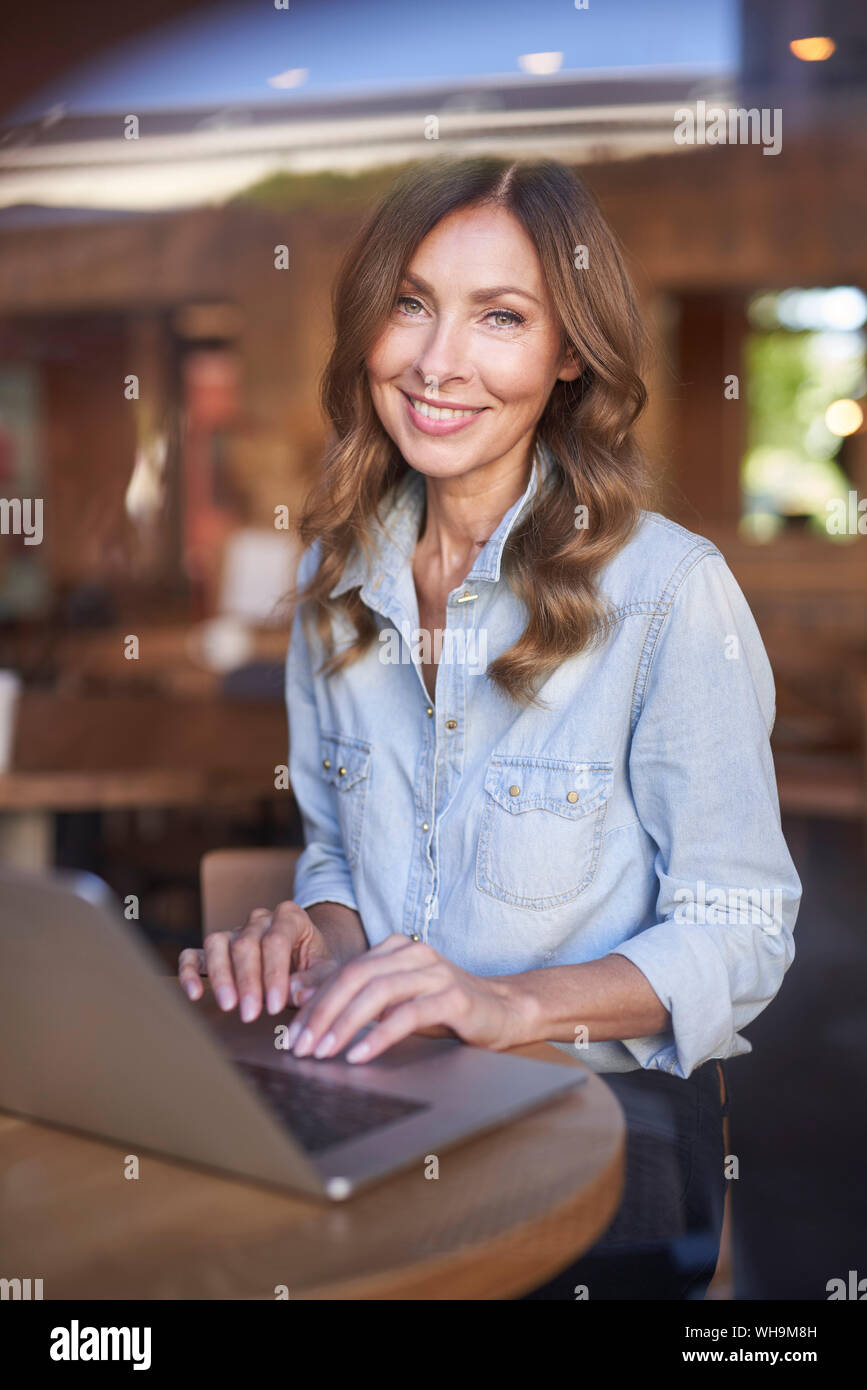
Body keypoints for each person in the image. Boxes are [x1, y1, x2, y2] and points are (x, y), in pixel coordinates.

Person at [179, 156, 801, 1298]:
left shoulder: (671, 593)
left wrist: (504, 1004)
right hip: (386, 1088)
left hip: (603, 1121)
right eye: (410, 303)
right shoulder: (334, 578)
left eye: (500, 317)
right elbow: (334, 849)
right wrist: (322, 944)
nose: (436, 361)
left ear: (568, 355)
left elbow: (744, 926)